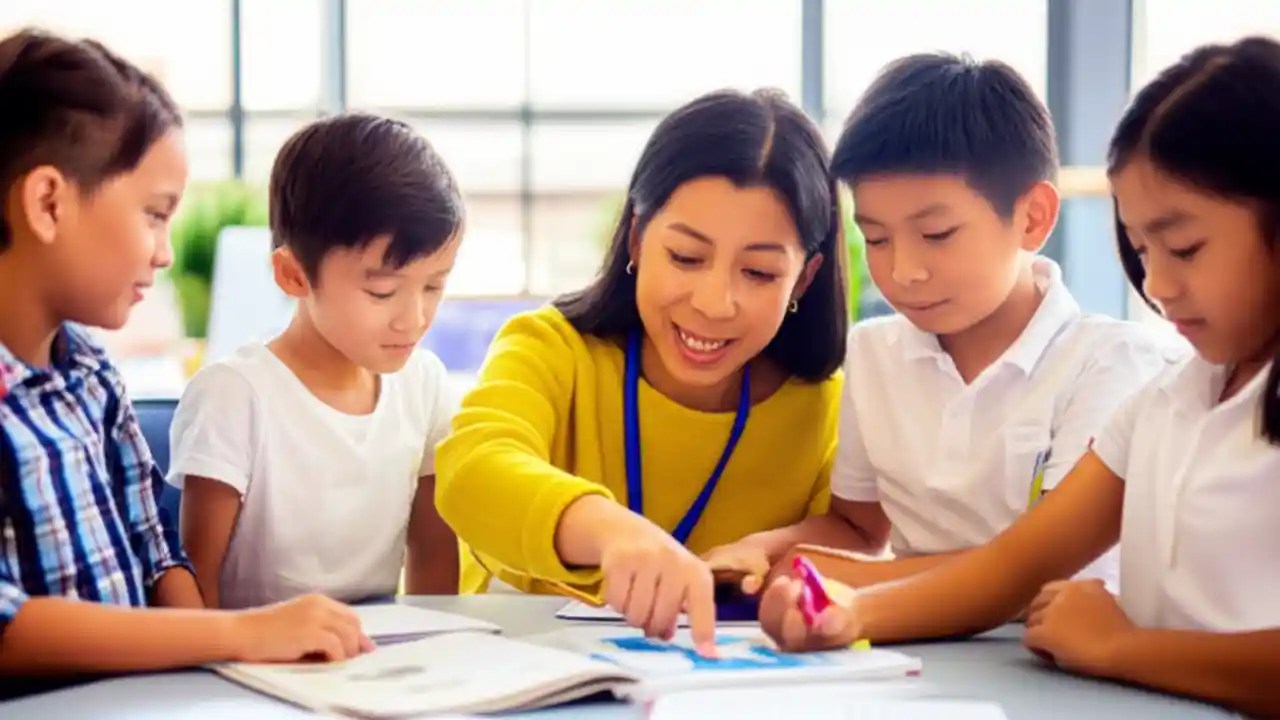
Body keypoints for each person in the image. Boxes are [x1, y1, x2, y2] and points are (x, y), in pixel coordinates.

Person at [759, 37, 1280, 719]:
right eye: (1141, 247)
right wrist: (850, 614)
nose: (1156, 282)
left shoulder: (1119, 367)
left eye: (1184, 247)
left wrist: (1122, 647)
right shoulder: (1167, 400)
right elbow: (1015, 566)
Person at [709, 53, 1179, 593]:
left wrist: (854, 581)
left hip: (1049, 655)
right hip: (913, 649)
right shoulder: (874, 352)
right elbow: (859, 528)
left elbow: (1044, 568)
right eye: (877, 238)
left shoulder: (1110, 362)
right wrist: (764, 548)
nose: (903, 271)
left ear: (1033, 218)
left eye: (936, 235)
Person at [0, 29, 367, 693]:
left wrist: (224, 676)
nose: (165, 253)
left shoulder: (91, 376)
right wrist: (241, 632)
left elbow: (156, 553)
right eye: (154, 215)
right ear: (48, 202)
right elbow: (8, 627)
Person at [435, 89, 849, 656]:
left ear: (803, 280)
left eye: (758, 272)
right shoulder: (552, 348)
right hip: (528, 673)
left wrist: (772, 547)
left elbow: (854, 537)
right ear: (636, 238)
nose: (714, 302)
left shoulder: (826, 405)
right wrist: (612, 533)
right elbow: (471, 471)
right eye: (685, 257)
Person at [170, 114, 464, 609]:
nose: (413, 319)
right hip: (257, 659)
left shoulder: (424, 384)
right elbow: (198, 588)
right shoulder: (234, 396)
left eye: (434, 285)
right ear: (292, 275)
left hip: (380, 658)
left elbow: (433, 556)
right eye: (383, 291)